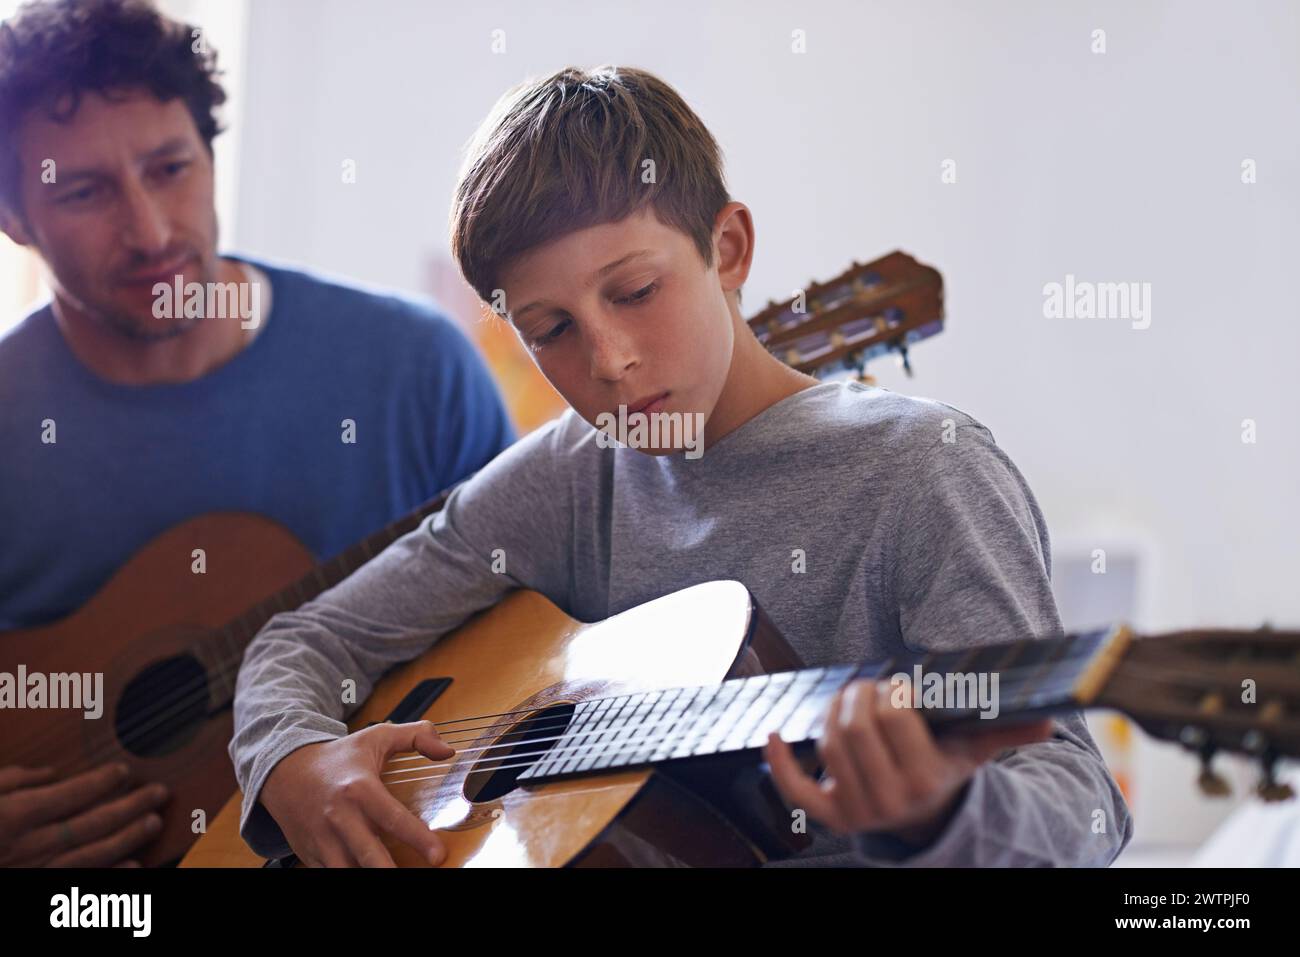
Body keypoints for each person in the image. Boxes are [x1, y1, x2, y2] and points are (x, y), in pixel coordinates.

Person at [229, 65, 1135, 867]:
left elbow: (1084, 808)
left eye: (635, 292)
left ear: (729, 248)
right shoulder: (569, 479)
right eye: (552, 330)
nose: (610, 359)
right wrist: (291, 759)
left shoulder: (923, 472)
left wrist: (948, 816)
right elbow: (302, 641)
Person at [0, 0, 514, 867]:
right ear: (14, 219)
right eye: (83, 191)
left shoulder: (413, 368)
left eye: (171, 168)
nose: (152, 231)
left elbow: (536, 624)